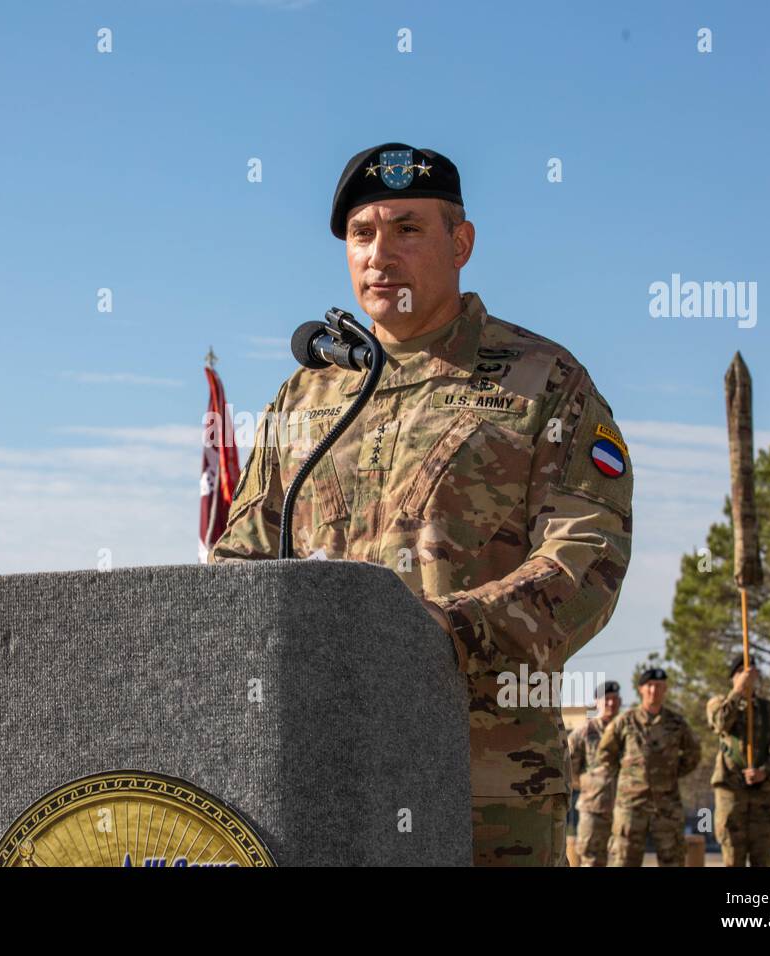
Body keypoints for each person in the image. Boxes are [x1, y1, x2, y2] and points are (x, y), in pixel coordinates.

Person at [211, 142, 633, 865]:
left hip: (482, 785)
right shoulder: (305, 397)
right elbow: (240, 560)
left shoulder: (543, 381)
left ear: (460, 243)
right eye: (362, 234)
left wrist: (444, 632)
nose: (380, 254)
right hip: (319, 775)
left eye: (408, 230)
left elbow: (585, 560)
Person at [597, 667, 699, 867]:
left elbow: (693, 754)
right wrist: (628, 777)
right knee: (625, 861)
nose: (654, 691)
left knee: (673, 861)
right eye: (650, 686)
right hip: (631, 806)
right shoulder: (625, 722)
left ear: (665, 689)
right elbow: (605, 754)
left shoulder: (676, 723)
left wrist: (671, 773)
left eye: (659, 686)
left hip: (667, 805)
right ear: (641, 689)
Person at [706, 654, 770, 867]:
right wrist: (737, 692)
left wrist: (764, 770)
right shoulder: (718, 703)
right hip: (731, 793)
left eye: (750, 672)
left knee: (762, 858)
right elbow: (720, 724)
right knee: (733, 858)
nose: (746, 677)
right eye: (741, 673)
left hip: (762, 797)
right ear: (733, 677)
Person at [567, 680, 621, 866]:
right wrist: (591, 785)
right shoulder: (584, 733)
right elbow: (569, 766)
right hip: (593, 809)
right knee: (591, 860)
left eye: (614, 699)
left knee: (625, 857)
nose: (611, 704)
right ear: (597, 702)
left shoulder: (627, 731)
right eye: (606, 699)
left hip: (624, 808)